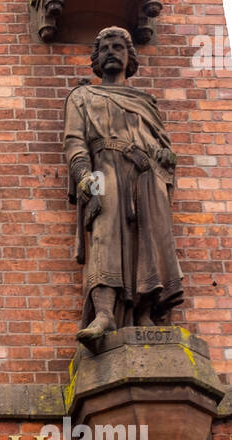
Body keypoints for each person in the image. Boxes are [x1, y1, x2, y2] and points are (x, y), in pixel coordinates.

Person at [63, 26, 183, 350]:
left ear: (130, 57)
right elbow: (74, 141)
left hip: (145, 172)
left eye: (119, 46)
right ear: (97, 59)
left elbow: (165, 148)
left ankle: (144, 312)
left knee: (150, 239)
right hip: (102, 169)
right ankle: (104, 314)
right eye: (105, 48)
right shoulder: (83, 96)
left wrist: (164, 156)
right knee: (104, 232)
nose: (112, 51)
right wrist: (83, 175)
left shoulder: (146, 102)